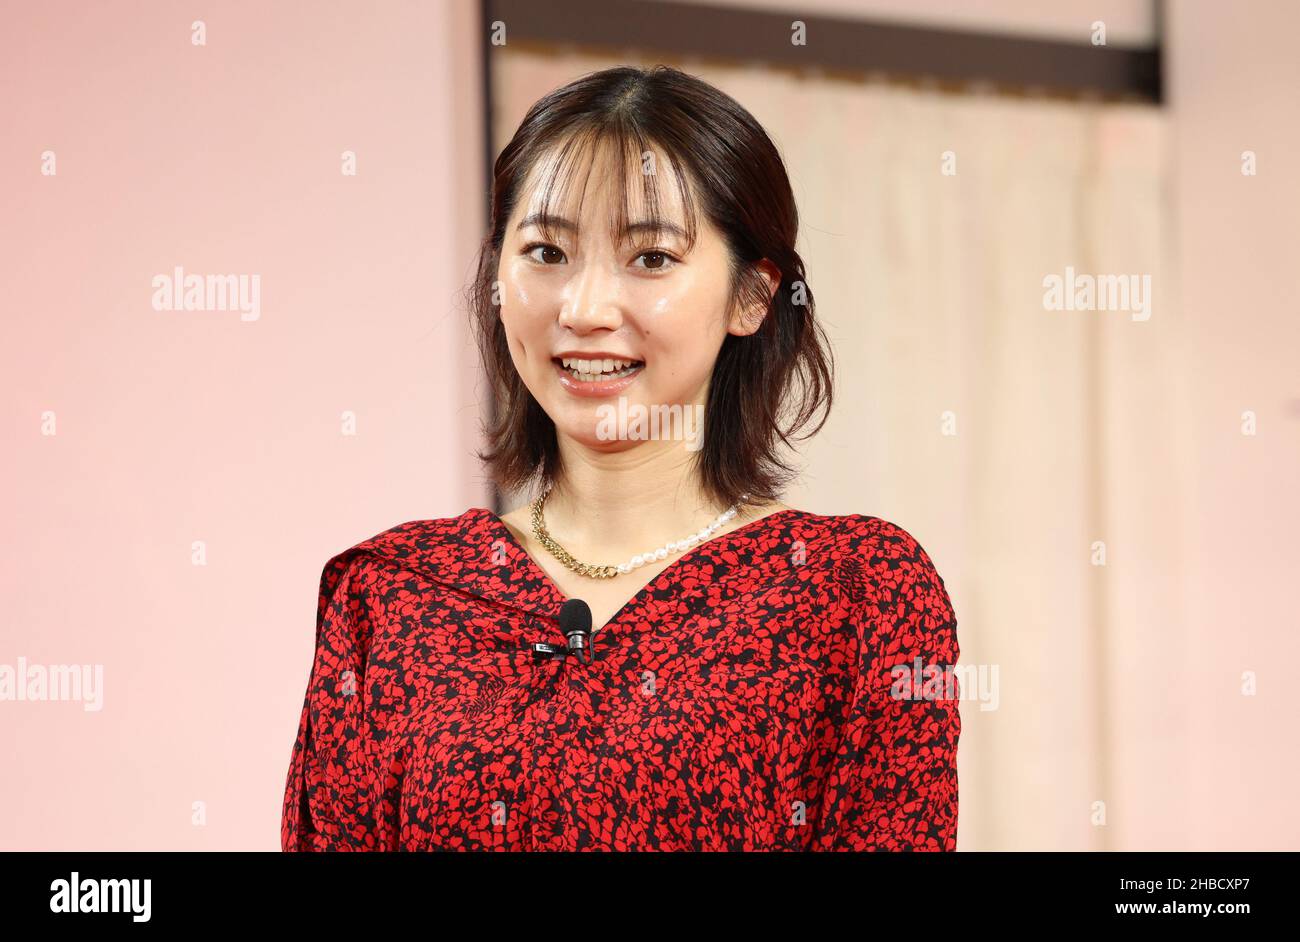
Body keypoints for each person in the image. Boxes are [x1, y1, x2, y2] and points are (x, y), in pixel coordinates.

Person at [281, 64, 960, 851]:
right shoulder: (391, 594)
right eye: (546, 251)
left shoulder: (859, 592)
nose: (586, 310)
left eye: (651, 259)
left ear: (752, 295)